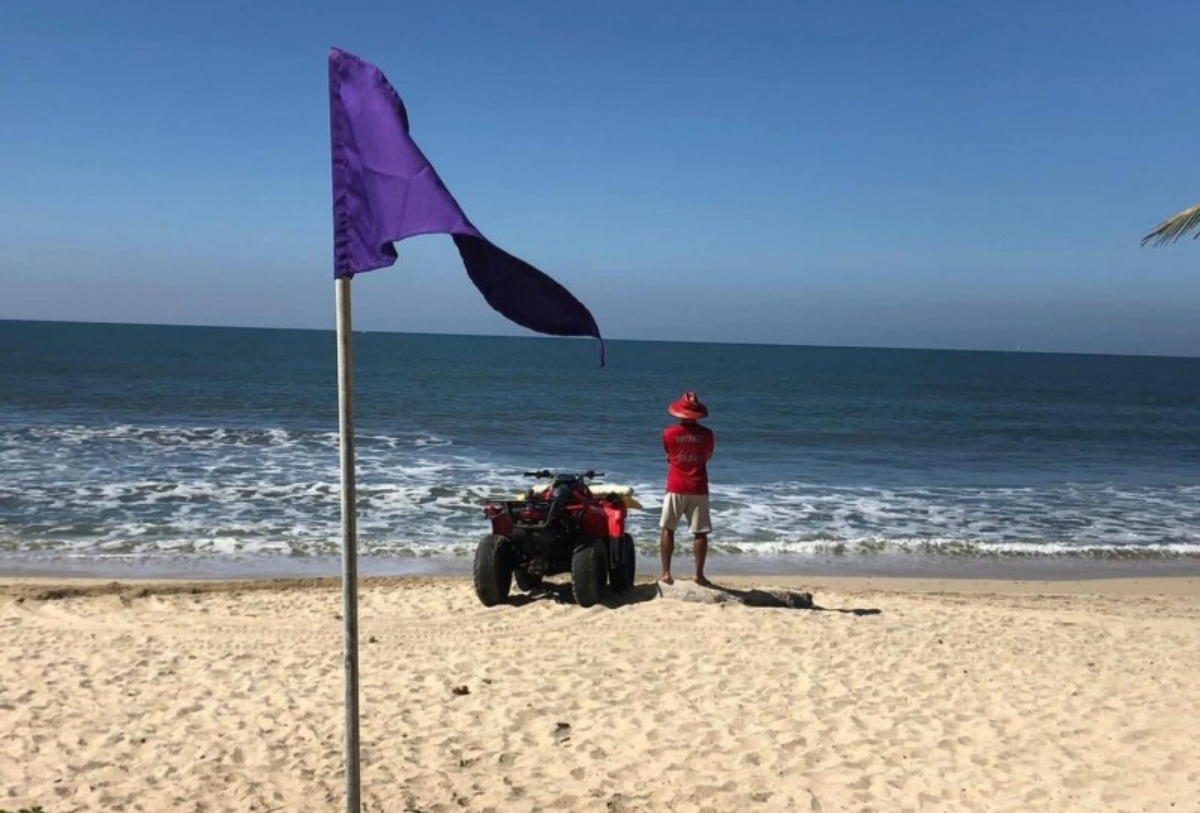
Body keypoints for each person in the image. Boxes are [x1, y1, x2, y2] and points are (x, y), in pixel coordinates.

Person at [659, 391, 716, 586]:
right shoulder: (707, 434)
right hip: (698, 486)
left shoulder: (669, 433)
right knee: (700, 533)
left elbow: (668, 454)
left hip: (675, 486)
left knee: (668, 529)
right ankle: (699, 575)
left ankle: (666, 573)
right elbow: (707, 455)